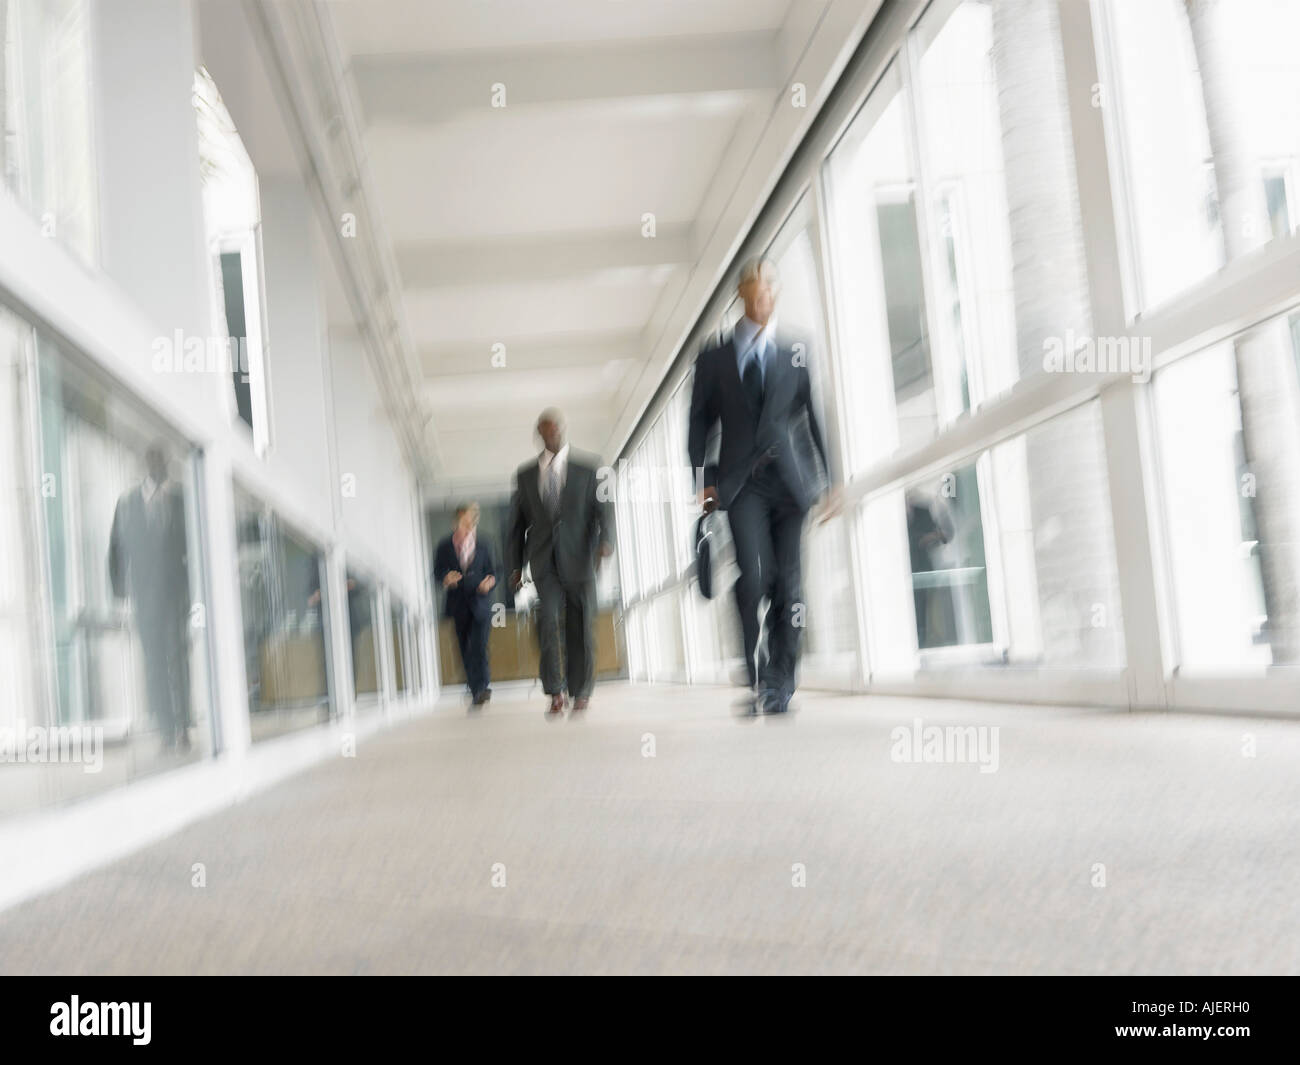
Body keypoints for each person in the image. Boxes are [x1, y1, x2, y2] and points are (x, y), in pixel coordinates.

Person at [687, 257, 839, 715]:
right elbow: (698, 425)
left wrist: (829, 481)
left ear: (776, 291)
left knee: (789, 586)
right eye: (754, 292)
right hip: (741, 486)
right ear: (742, 296)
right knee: (754, 577)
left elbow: (812, 414)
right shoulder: (713, 358)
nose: (763, 298)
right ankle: (753, 668)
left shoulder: (796, 348)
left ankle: (780, 680)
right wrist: (704, 480)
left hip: (791, 484)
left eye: (770, 289)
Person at [507, 408, 613, 718]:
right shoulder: (525, 475)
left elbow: (603, 510)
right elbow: (516, 525)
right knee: (547, 622)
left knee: (581, 625)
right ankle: (555, 691)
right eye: (544, 431)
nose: (550, 435)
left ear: (563, 430)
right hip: (544, 561)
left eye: (554, 430)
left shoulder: (588, 468)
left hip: (581, 558)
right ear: (538, 435)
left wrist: (606, 541)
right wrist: (515, 566)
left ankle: (581, 691)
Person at [109, 444, 192, 752]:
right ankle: (165, 730)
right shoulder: (127, 503)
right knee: (153, 663)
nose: (157, 465)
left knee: (178, 660)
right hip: (145, 598)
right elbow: (116, 550)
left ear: (167, 464)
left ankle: (182, 726)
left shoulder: (181, 501)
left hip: (175, 594)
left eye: (162, 460)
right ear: (145, 464)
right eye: (152, 460)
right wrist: (120, 595)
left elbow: (194, 548)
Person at [433, 502, 499, 707]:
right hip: (458, 604)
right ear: (456, 522)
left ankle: (482, 686)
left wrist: (490, 581)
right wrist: (445, 578)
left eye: (471, 520)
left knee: (479, 646)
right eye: (463, 521)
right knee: (464, 648)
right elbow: (437, 572)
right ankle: (475, 689)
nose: (467, 524)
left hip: (480, 603)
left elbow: (495, 570)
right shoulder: (444, 546)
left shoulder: (485, 543)